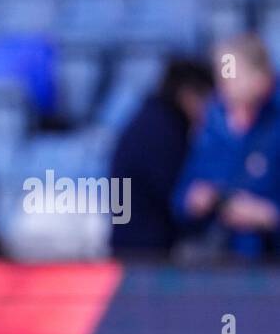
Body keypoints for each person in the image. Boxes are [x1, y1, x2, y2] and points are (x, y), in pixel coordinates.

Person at [173, 34, 280, 261]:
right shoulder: (211, 127)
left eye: (232, 72)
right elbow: (181, 197)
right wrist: (196, 199)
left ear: (261, 77)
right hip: (219, 261)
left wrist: (266, 215)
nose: (225, 82)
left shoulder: (274, 125)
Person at [109, 58, 214, 257]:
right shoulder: (163, 131)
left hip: (131, 242)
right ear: (188, 95)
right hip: (145, 251)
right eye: (206, 99)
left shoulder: (150, 120)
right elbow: (176, 195)